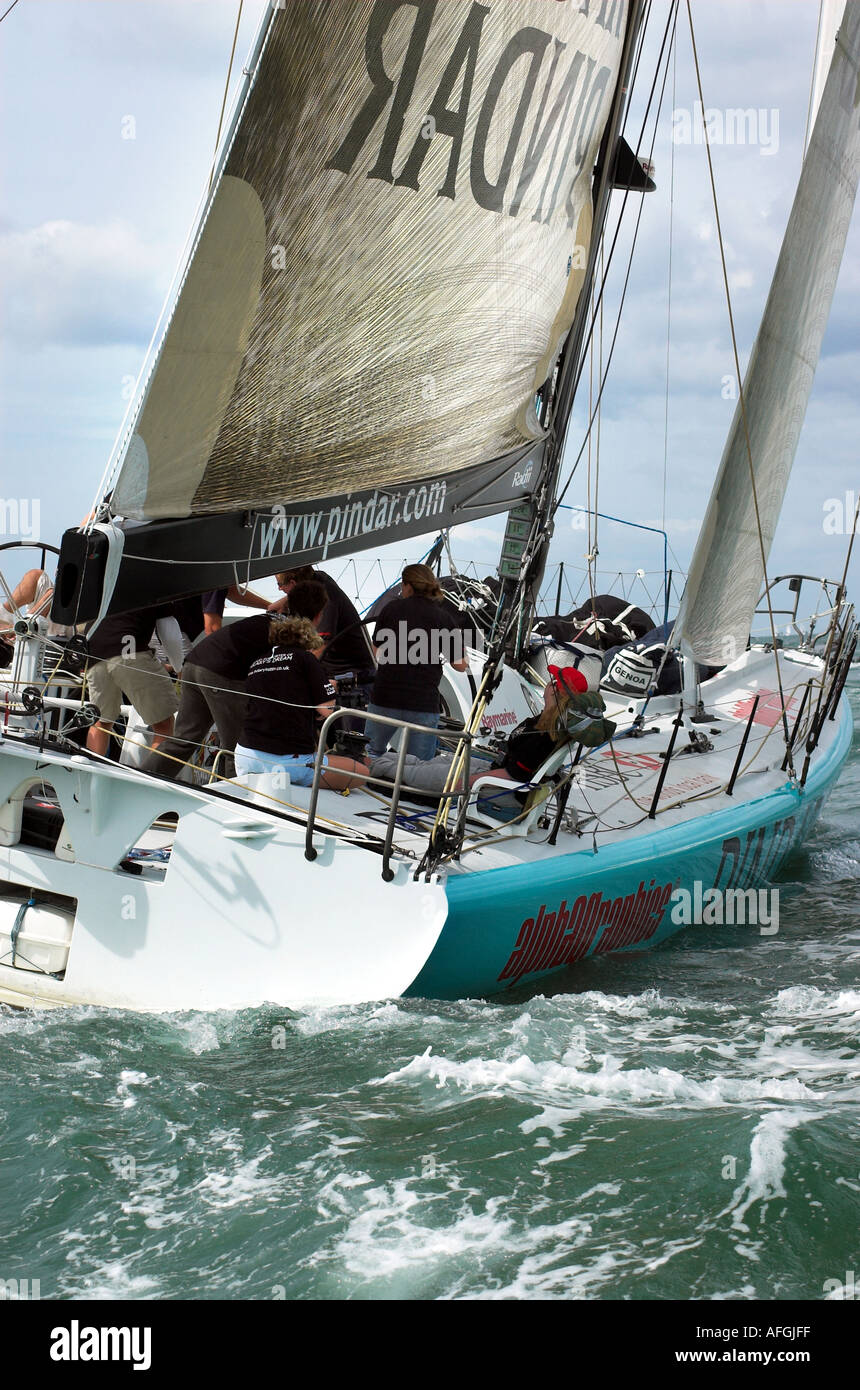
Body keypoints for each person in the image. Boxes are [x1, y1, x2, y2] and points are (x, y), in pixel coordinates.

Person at [140, 581, 327, 781]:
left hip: (194, 663)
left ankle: (141, 779)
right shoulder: (290, 634)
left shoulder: (271, 619)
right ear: (318, 616)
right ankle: (236, 798)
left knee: (184, 738)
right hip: (221, 673)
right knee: (239, 747)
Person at [234, 615, 369, 791]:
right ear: (307, 639)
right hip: (288, 763)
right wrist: (327, 690)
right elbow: (328, 710)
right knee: (362, 771)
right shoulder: (304, 659)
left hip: (246, 756)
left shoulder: (257, 662)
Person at [365, 563, 469, 761]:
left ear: (408, 586)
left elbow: (377, 654)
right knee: (419, 764)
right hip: (423, 702)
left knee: (371, 753)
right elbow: (460, 665)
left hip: (386, 697)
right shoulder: (443, 618)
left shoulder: (391, 609)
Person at [84, 604, 180, 758]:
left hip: (94, 654)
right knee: (164, 725)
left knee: (101, 722)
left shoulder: (110, 582)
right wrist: (179, 667)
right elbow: (169, 634)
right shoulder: (157, 582)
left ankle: (88, 777)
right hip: (129, 651)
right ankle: (152, 780)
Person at [276, 566, 374, 680]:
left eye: (279, 584)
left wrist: (291, 674)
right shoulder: (317, 578)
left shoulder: (327, 598)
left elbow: (321, 646)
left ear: (293, 583)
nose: (279, 589)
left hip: (351, 674)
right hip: (336, 670)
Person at [201, 585, 270, 636]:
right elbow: (212, 629)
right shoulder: (215, 573)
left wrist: (269, 606)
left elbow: (231, 590)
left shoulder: (219, 578)